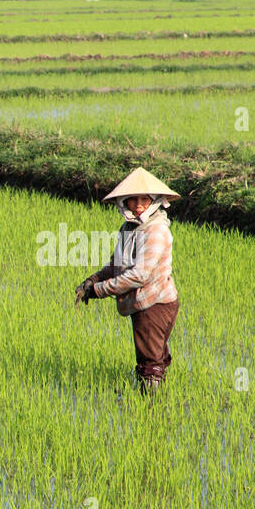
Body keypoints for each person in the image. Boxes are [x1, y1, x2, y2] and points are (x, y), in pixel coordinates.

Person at [74, 167, 180, 394]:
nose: (139, 204)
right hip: (144, 304)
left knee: (150, 363)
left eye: (145, 199)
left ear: (155, 200)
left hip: (154, 304)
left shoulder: (155, 230)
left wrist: (99, 290)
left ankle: (151, 410)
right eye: (133, 199)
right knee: (154, 357)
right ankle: (155, 403)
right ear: (125, 201)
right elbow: (117, 264)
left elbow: (139, 275)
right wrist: (93, 280)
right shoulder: (129, 227)